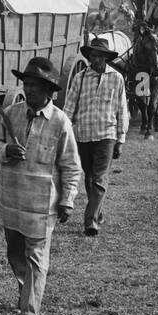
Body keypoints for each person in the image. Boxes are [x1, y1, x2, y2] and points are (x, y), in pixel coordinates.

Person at [0, 57, 83, 315]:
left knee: (36, 259)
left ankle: (29, 313)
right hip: (11, 203)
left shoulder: (61, 122)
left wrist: (67, 200)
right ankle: (25, 289)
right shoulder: (11, 114)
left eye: (35, 87)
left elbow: (71, 166)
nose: (29, 91)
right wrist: (6, 151)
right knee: (15, 255)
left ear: (49, 91)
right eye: (26, 85)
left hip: (42, 207)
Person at [64, 37, 129, 238]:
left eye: (100, 56)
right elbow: (69, 107)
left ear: (107, 58)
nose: (96, 59)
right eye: (93, 56)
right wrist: (64, 132)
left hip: (106, 135)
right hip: (82, 136)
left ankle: (90, 221)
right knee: (90, 178)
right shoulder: (80, 78)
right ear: (89, 57)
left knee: (100, 177)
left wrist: (120, 138)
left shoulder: (116, 78)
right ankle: (98, 214)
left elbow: (121, 109)